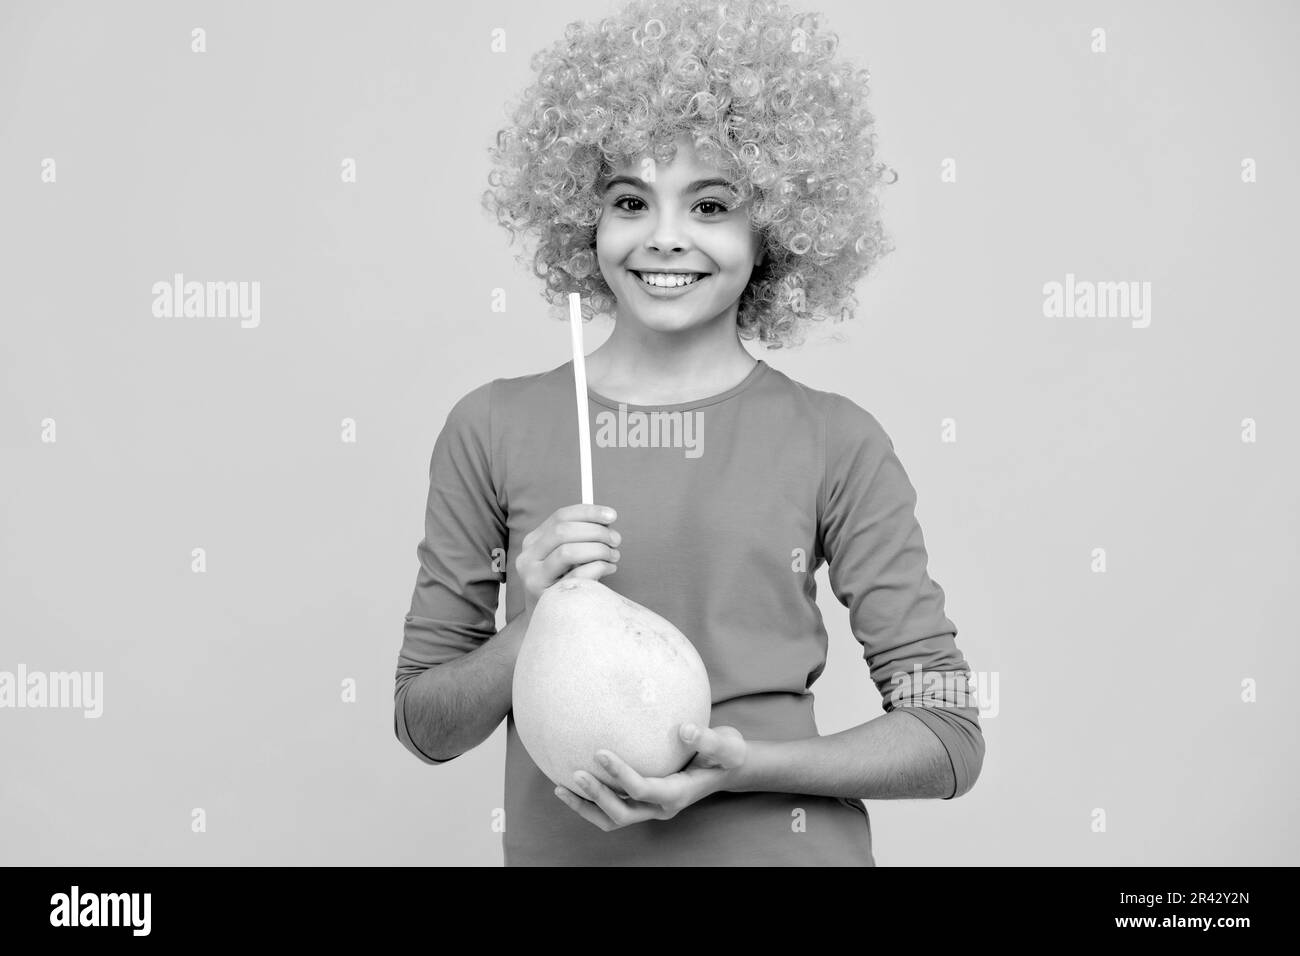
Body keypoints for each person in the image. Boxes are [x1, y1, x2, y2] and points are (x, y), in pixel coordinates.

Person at [394, 0, 984, 866]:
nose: (665, 238)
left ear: (771, 225)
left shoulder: (836, 440)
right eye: (631, 200)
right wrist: (541, 619)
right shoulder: (491, 427)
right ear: (583, 220)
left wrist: (745, 769)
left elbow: (947, 732)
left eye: (710, 205)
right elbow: (424, 726)